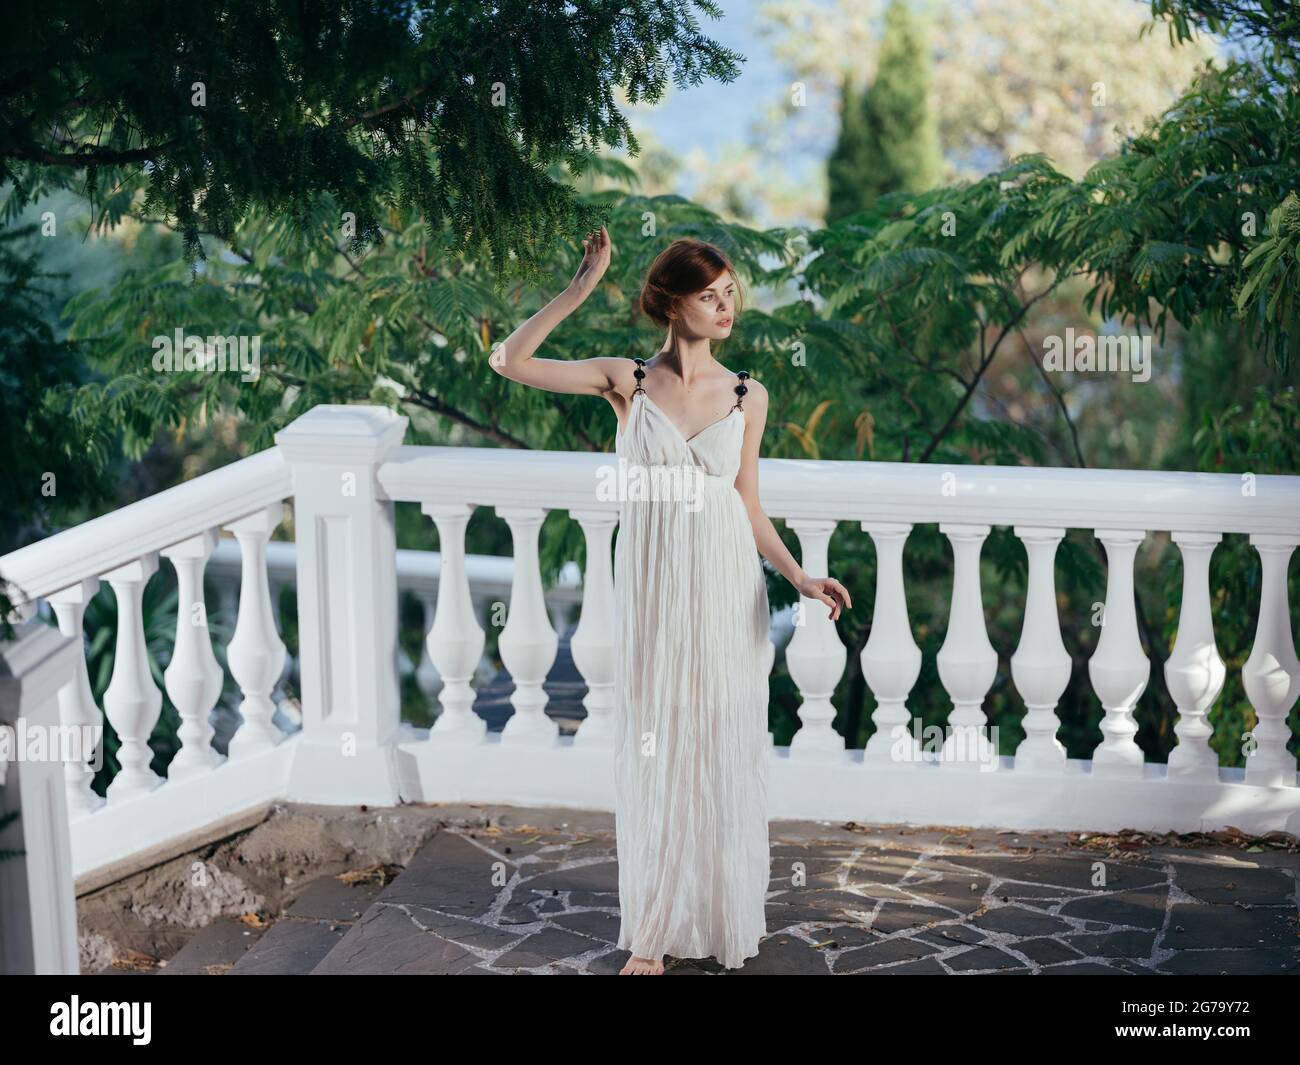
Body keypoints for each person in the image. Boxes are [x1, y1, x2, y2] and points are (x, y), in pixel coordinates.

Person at [491, 226, 851, 974]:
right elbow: (509, 361)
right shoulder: (627, 380)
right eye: (708, 295)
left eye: (730, 296)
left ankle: (719, 915)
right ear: (669, 301)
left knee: (719, 743)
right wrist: (580, 287)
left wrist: (799, 577)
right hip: (656, 582)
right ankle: (651, 929)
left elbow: (749, 505)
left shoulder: (749, 395)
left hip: (725, 582)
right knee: (658, 742)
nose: (724, 308)